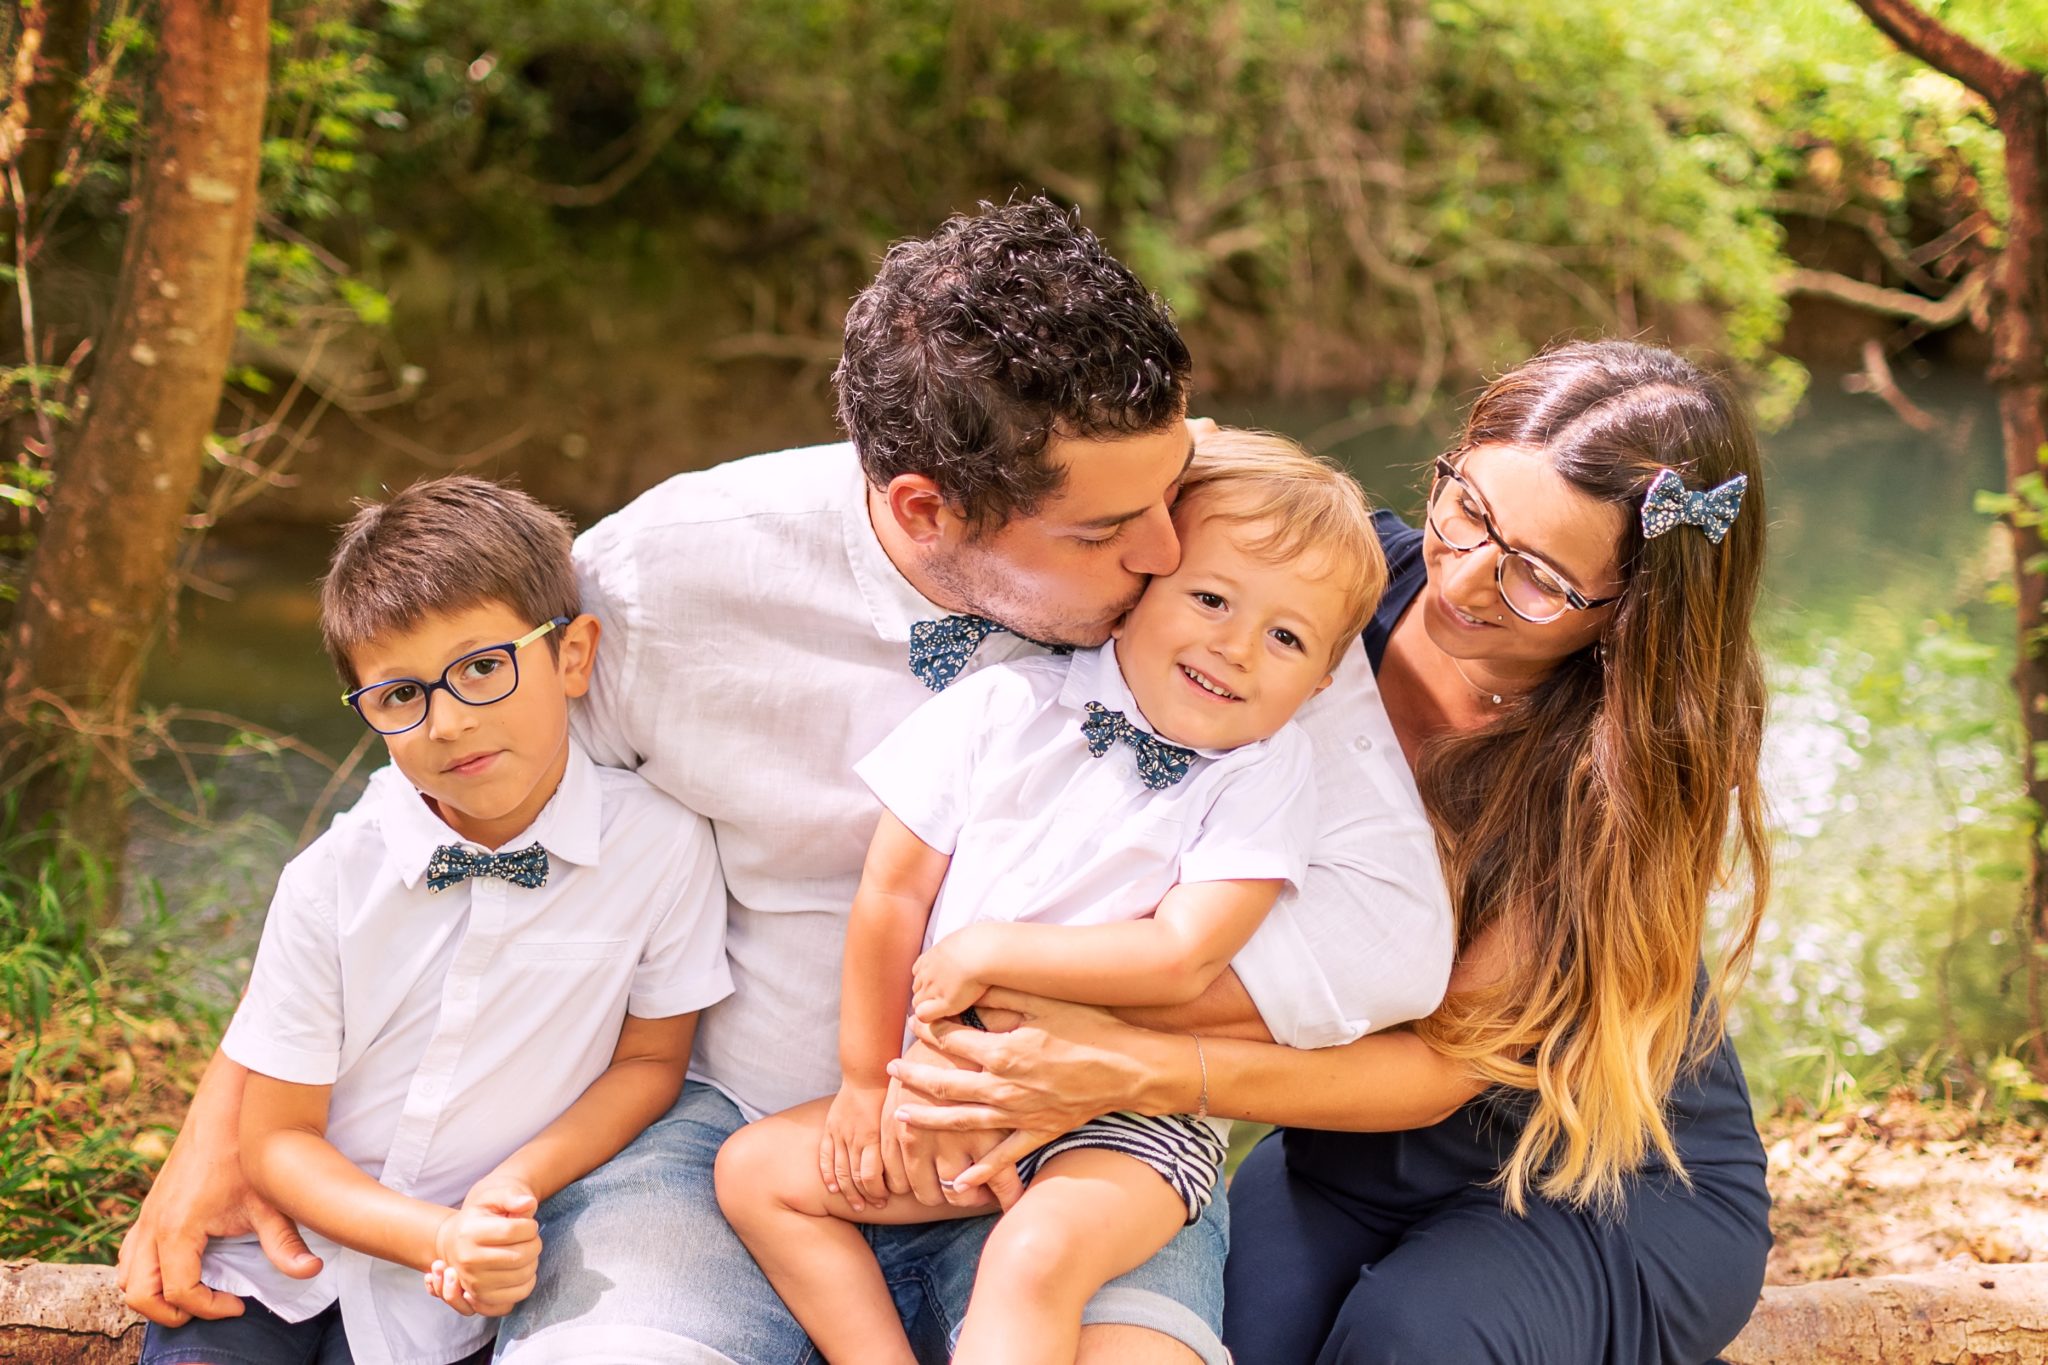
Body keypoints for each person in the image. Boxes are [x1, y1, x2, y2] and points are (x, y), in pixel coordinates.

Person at [118, 199, 1451, 1365]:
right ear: (926, 509)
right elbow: (427, 809)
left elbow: (1391, 942)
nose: (1166, 548)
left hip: (1072, 1141)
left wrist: (1097, 1037)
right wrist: (219, 1132)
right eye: (1108, 528)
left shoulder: (1233, 606)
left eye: (1170, 490)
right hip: (725, 1139)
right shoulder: (669, 578)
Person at [890, 339, 1775, 1364]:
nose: (1467, 580)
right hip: (1343, 1159)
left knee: (1414, 1337)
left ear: (1626, 611)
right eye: (1469, 511)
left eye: (1536, 577)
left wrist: (1122, 1066)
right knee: (1219, 1339)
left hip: (1591, 1170)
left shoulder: (1617, 763)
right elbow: (1137, 473)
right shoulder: (1325, 587)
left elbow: (1448, 1062)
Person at [715, 434, 1387, 1365]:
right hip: (955, 1096)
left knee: (1034, 1258)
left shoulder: (1261, 774)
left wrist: (993, 951)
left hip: (1126, 1125)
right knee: (756, 1172)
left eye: (1285, 636)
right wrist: (869, 1080)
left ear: (1317, 683)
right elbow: (891, 893)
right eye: (1211, 598)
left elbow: (1184, 951)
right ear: (1136, 592)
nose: (1235, 647)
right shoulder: (1001, 707)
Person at [134, 477, 733, 1365]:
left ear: (573, 655)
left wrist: (508, 1193)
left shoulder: (661, 846)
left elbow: (650, 1061)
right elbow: (276, 1137)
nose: (448, 723)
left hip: (454, 1301)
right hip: (271, 1267)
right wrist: (431, 1235)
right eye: (400, 695)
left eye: (482, 667)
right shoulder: (332, 880)